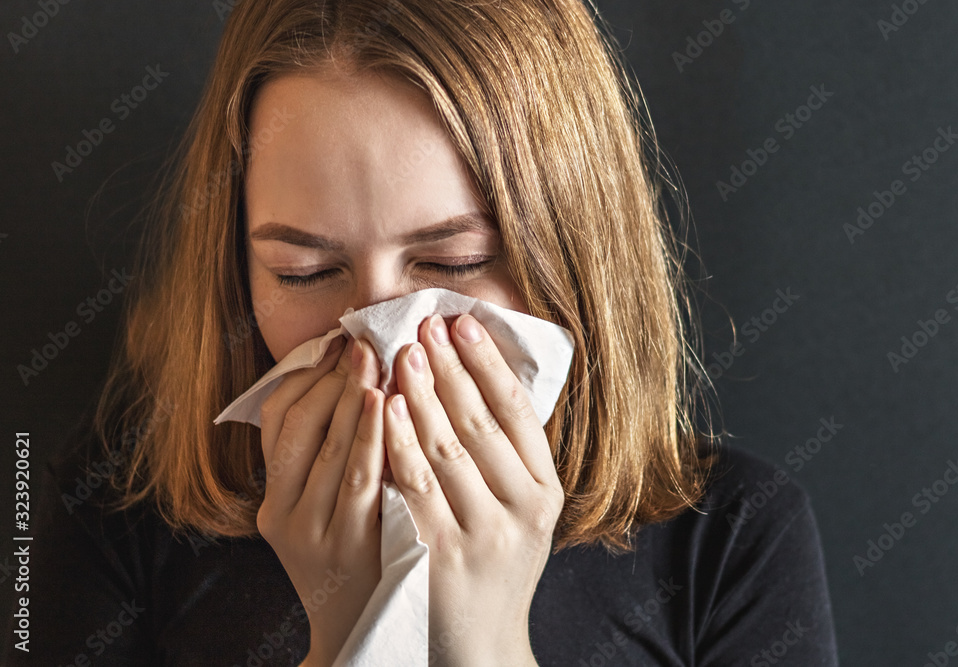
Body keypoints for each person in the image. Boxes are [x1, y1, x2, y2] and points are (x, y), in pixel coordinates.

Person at [5, 0, 838, 664]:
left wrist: (484, 645)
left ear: (570, 253)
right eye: (304, 272)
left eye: (452, 263)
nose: (379, 344)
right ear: (236, 266)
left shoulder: (731, 540)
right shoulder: (105, 520)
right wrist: (346, 638)